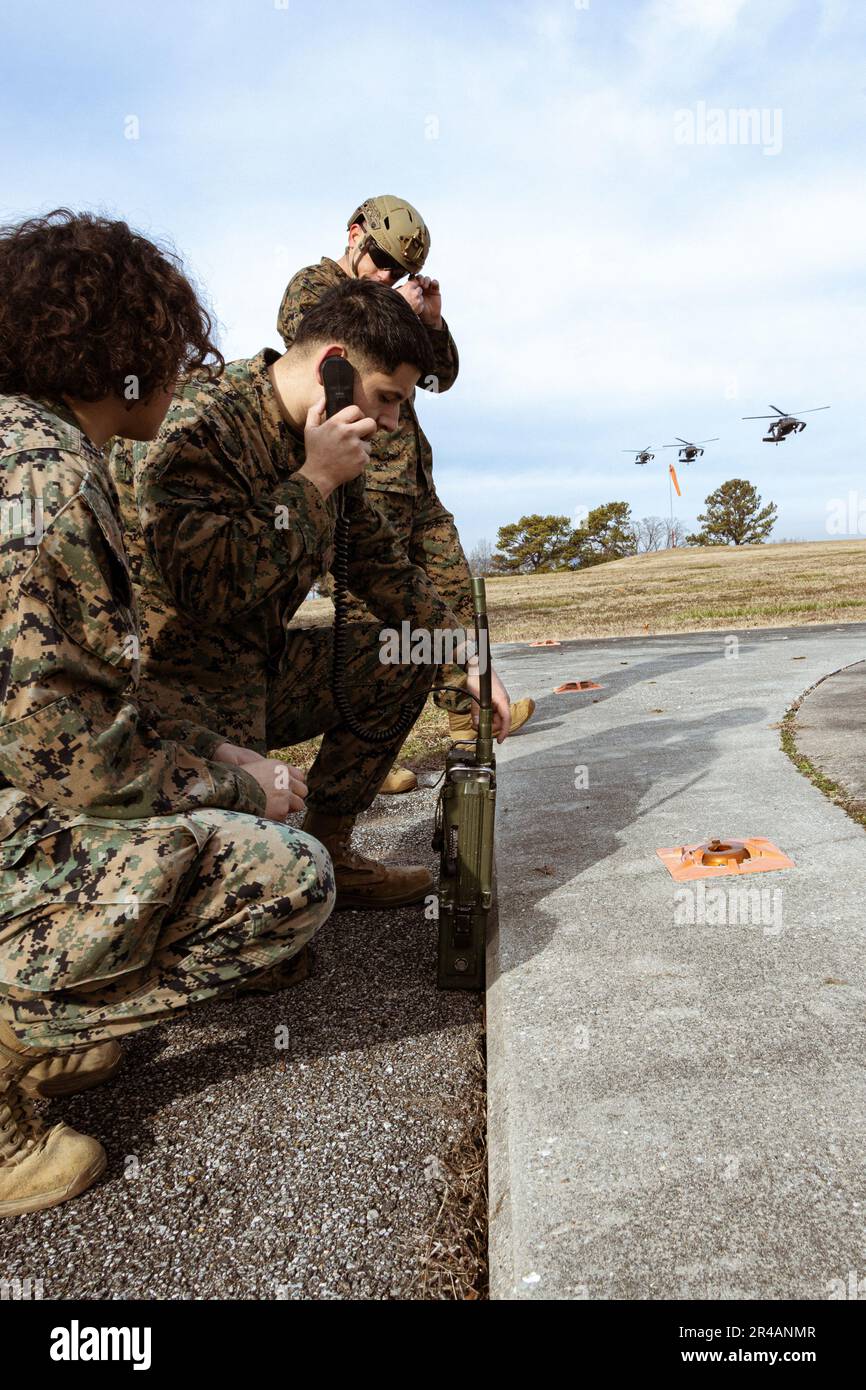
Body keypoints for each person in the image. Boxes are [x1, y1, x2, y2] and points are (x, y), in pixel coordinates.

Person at [0, 211, 335, 1218]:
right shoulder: (46, 484)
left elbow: (84, 699)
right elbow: (71, 757)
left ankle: (43, 1007)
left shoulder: (35, 447)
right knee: (284, 877)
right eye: (167, 346)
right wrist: (242, 786)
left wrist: (211, 749)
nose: (181, 370)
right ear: (117, 349)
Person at [110, 278, 512, 918]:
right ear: (334, 366)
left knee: (403, 652)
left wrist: (463, 655)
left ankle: (330, 850)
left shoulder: (324, 436)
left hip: (257, 673)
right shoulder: (201, 422)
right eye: (386, 398)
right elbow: (208, 588)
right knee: (261, 939)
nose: (391, 422)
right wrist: (313, 480)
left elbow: (383, 566)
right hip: (170, 696)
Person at [277, 196, 534, 793]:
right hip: (360, 478)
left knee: (447, 594)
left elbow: (439, 378)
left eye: (401, 271)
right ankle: (368, 749)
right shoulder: (312, 285)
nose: (390, 277)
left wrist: (433, 323)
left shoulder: (399, 310)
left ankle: (466, 719)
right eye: (383, 262)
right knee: (371, 621)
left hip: (413, 481)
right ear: (354, 235)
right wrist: (394, 305)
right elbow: (313, 340)